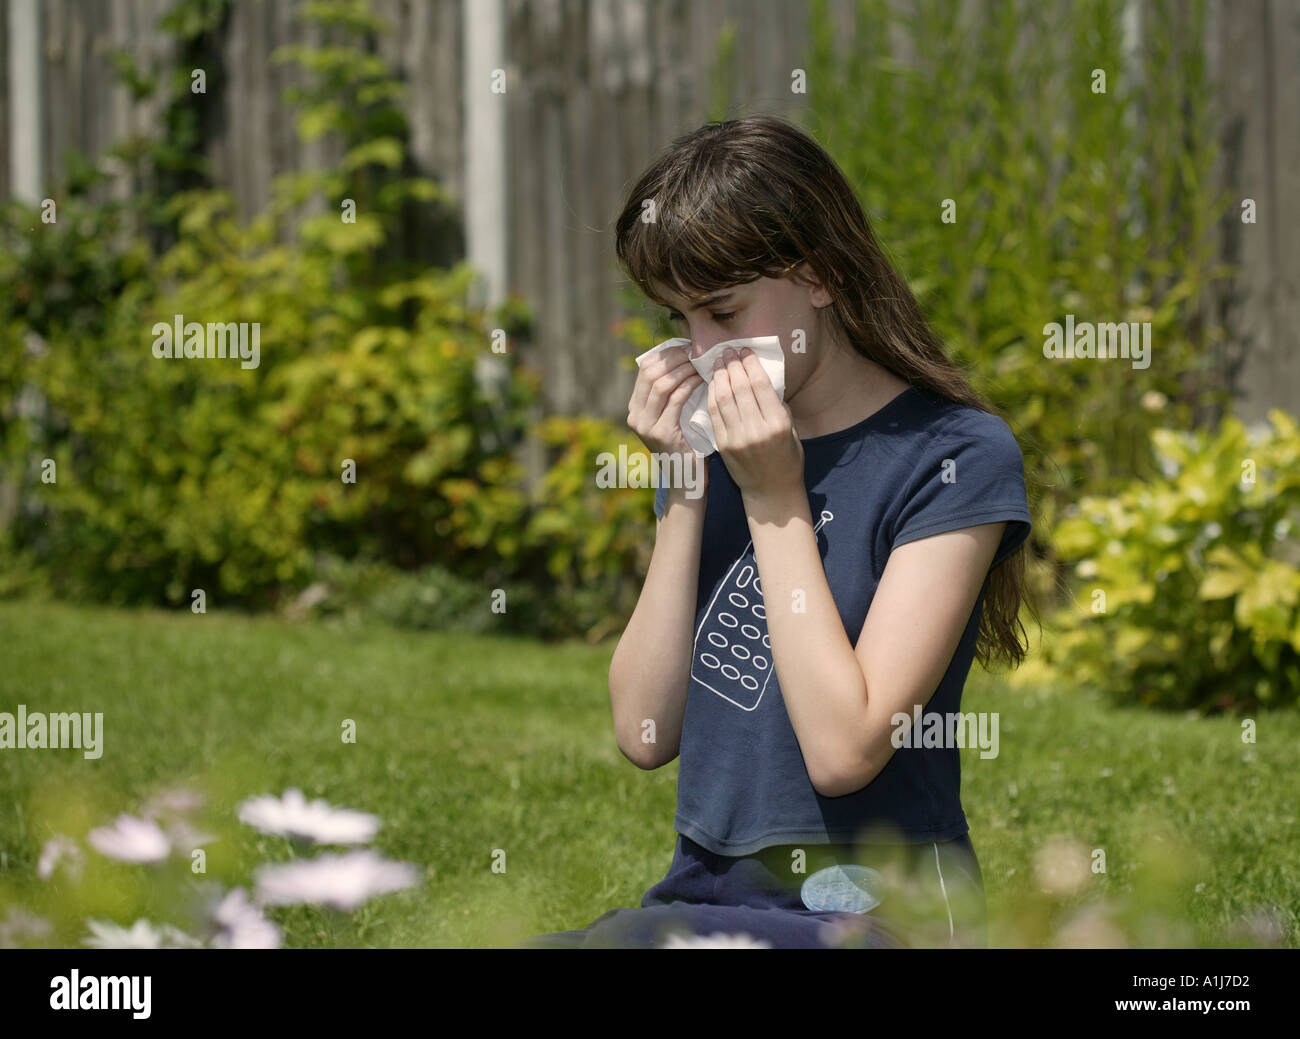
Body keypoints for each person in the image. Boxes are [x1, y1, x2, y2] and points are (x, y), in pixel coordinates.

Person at [522, 114, 1035, 949]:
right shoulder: (724, 445)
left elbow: (845, 751)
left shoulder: (954, 456)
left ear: (822, 275)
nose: (701, 348)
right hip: (703, 893)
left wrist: (774, 497)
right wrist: (687, 482)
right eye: (679, 316)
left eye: (723, 310)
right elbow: (644, 732)